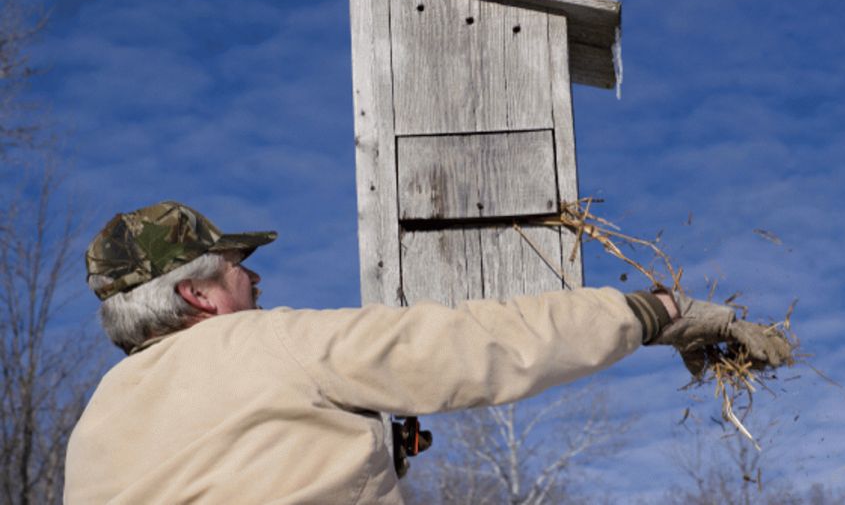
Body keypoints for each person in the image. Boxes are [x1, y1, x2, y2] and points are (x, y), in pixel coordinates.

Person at [65, 200, 791, 504]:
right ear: (196, 296)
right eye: (234, 267)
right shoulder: (263, 341)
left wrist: (368, 447)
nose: (253, 276)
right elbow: (468, 345)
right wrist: (646, 312)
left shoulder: (94, 430)